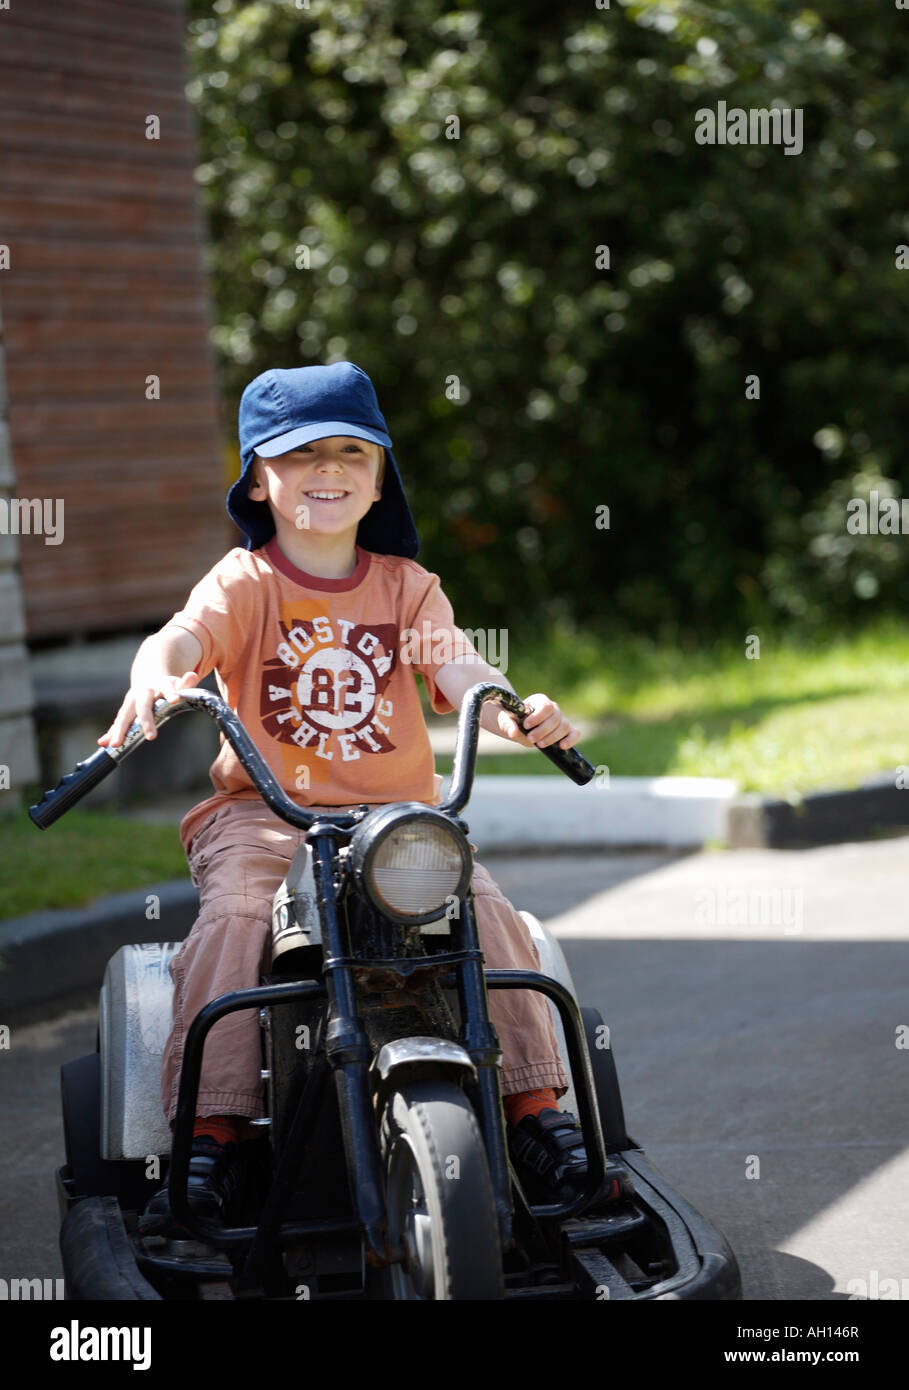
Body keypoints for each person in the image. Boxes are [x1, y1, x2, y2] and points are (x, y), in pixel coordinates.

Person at [99, 361, 594, 1235]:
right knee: (239, 917)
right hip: (266, 817)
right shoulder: (243, 582)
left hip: (396, 823)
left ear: (376, 479)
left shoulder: (406, 585)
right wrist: (155, 676)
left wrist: (514, 712)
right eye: (300, 455)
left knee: (484, 908)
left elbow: (457, 664)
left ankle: (532, 1114)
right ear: (260, 477)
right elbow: (180, 641)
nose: (326, 470)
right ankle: (212, 1134)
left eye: (349, 453)